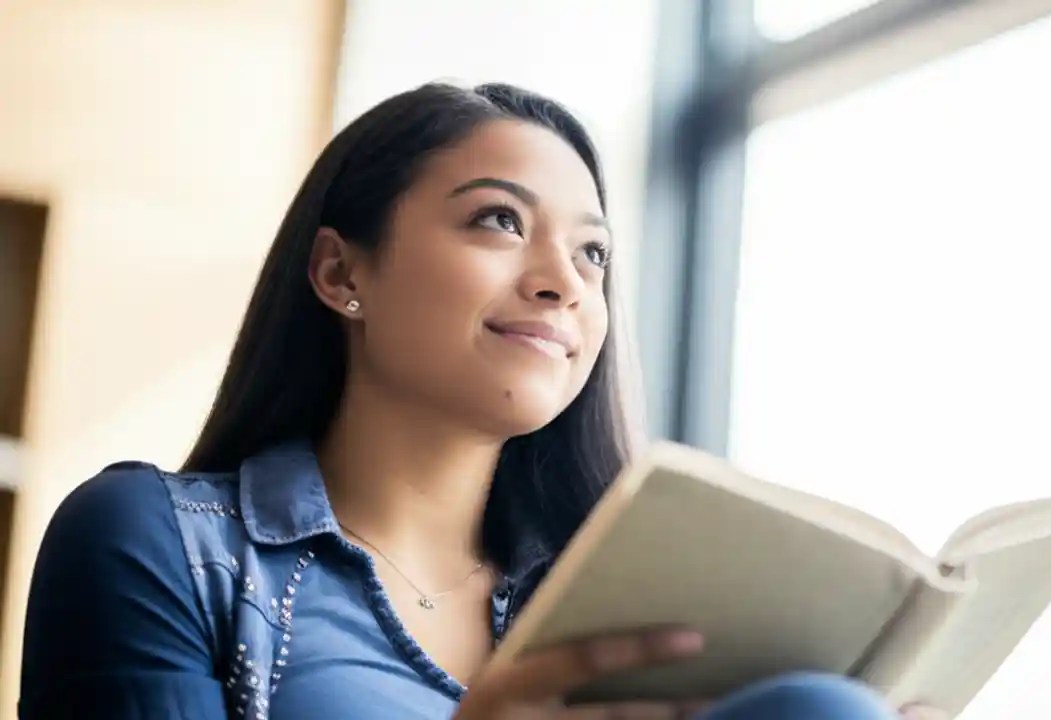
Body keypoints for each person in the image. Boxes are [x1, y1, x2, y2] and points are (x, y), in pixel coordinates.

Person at [19, 82, 948, 720]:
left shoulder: (624, 605)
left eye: (594, 254)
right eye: (498, 220)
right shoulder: (155, 541)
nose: (565, 283)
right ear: (342, 270)